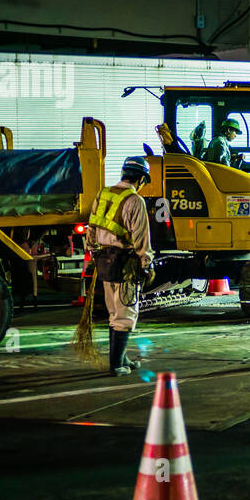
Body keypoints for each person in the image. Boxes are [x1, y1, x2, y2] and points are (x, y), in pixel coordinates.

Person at [86, 155, 155, 375]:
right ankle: (116, 365)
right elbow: (142, 238)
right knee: (125, 313)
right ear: (141, 179)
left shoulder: (103, 194)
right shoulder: (135, 201)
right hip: (125, 263)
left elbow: (92, 226)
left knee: (114, 312)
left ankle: (121, 358)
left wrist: (93, 252)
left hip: (105, 260)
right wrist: (146, 263)